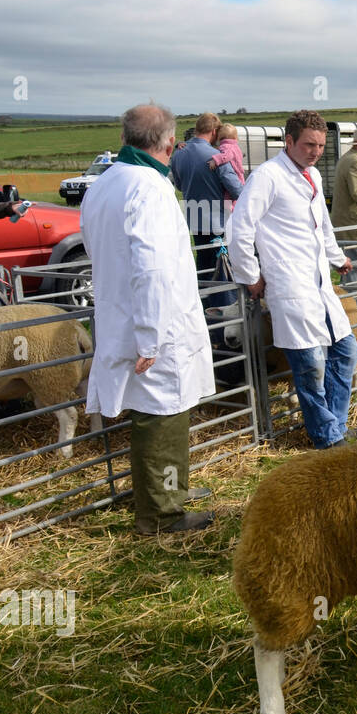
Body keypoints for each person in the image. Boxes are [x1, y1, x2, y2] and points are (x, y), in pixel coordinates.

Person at [80, 103, 215, 535]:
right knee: (162, 414)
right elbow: (152, 270)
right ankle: (160, 515)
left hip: (123, 317)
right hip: (153, 324)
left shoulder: (103, 184)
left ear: (125, 139)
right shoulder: (150, 190)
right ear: (170, 144)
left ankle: (169, 492)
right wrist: (151, 338)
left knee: (156, 411)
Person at [227, 109, 357, 450]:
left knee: (345, 352)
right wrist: (250, 275)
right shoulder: (268, 177)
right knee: (310, 367)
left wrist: (337, 257)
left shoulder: (312, 175)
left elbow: (323, 226)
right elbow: (239, 228)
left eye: (320, 145)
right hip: (291, 285)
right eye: (308, 144)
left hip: (319, 286)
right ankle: (326, 437)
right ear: (289, 141)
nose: (315, 151)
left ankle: (337, 428)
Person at [169, 112, 243, 307]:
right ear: (213, 131)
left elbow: (178, 184)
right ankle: (224, 325)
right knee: (224, 272)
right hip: (219, 220)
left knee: (204, 269)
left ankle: (205, 317)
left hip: (194, 218)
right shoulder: (215, 156)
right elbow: (237, 190)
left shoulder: (178, 155)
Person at [207, 122, 247, 187]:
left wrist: (215, 160)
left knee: (228, 195)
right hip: (239, 175)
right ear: (235, 137)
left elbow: (226, 155)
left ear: (219, 138)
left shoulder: (226, 146)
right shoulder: (235, 146)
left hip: (234, 174)